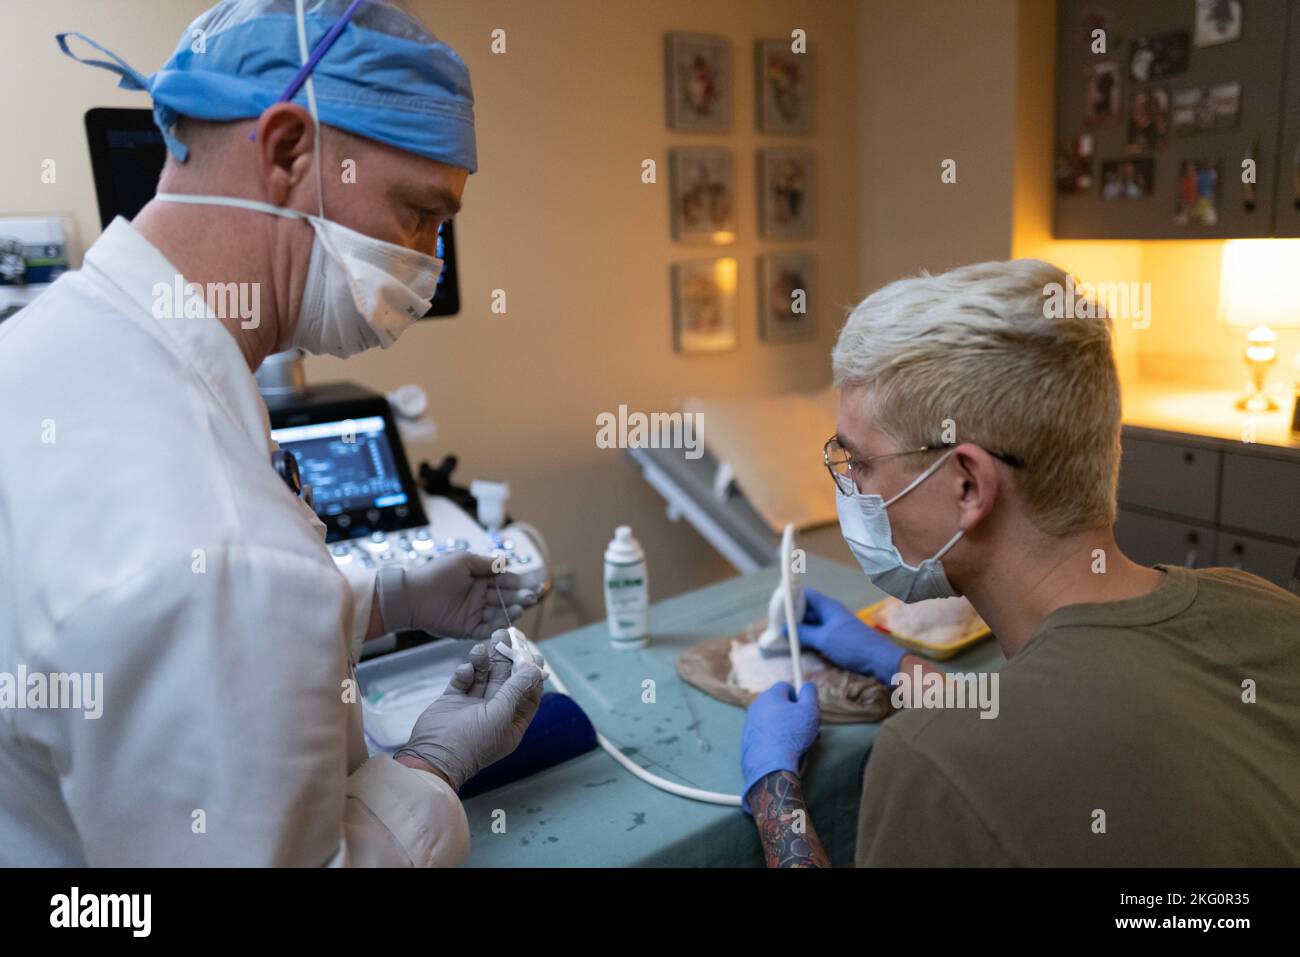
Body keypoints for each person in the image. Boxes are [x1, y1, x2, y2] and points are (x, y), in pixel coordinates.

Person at [0, 0, 544, 866]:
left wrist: (383, 600)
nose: (431, 261)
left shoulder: (49, 345)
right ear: (288, 149)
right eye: (417, 214)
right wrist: (430, 770)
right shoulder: (222, 541)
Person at [740, 259, 1300, 866]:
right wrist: (899, 666)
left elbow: (1015, 746)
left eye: (859, 463)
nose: (849, 486)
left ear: (967, 487)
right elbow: (1073, 719)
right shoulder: (1261, 606)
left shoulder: (932, 765)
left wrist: (776, 797)